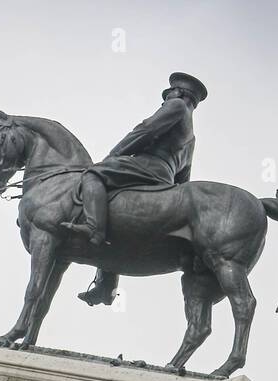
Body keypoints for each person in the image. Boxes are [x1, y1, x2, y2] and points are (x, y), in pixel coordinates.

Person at [64, 72, 207, 306]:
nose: (165, 98)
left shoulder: (176, 106)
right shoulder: (192, 134)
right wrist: (174, 194)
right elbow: (185, 175)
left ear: (179, 93)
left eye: (169, 93)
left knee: (92, 174)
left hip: (147, 167)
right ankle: (105, 285)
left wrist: (113, 155)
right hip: (165, 179)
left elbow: (145, 130)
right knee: (112, 209)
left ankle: (93, 230)